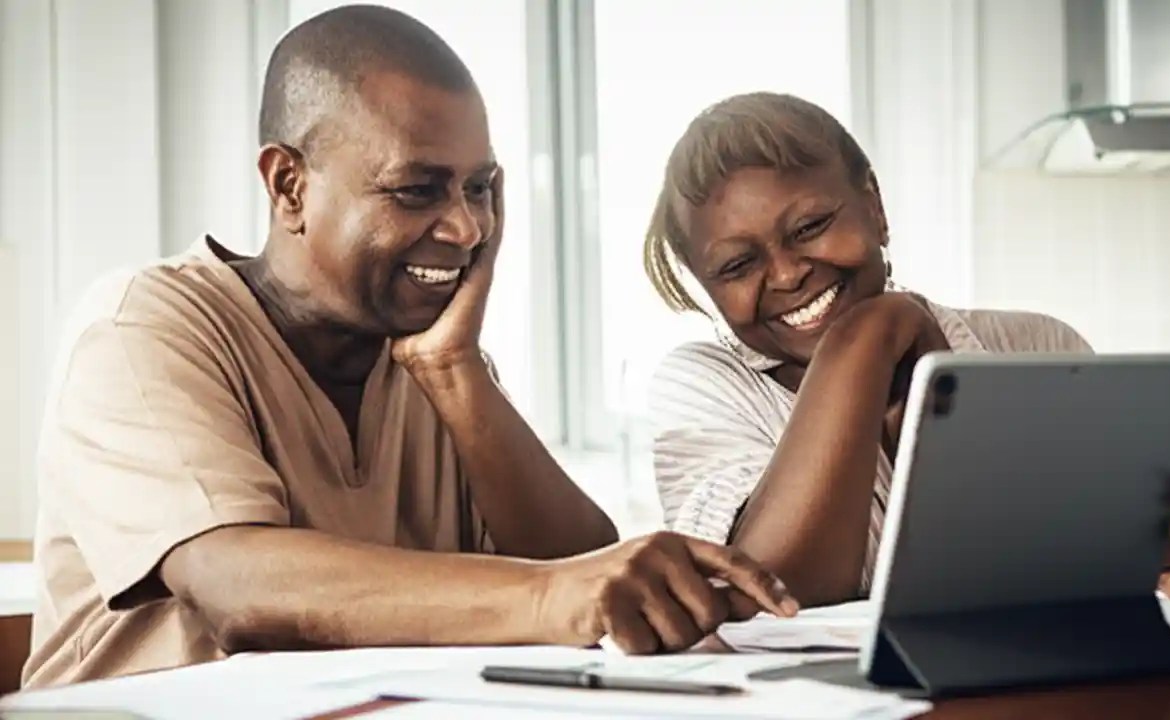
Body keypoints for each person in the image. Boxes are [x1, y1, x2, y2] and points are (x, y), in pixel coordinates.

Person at [23, 7, 797, 688]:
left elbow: (583, 565)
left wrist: (457, 376)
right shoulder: (143, 327)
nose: (466, 229)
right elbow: (234, 581)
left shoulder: (428, 357)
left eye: (480, 188)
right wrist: (552, 594)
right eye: (417, 190)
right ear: (289, 185)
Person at [643, 91, 1170, 610]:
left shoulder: (1039, 349)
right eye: (738, 264)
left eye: (809, 227)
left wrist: (1158, 590)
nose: (784, 275)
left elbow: (1072, 594)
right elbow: (773, 593)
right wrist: (872, 333)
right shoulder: (702, 387)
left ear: (875, 207)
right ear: (707, 288)